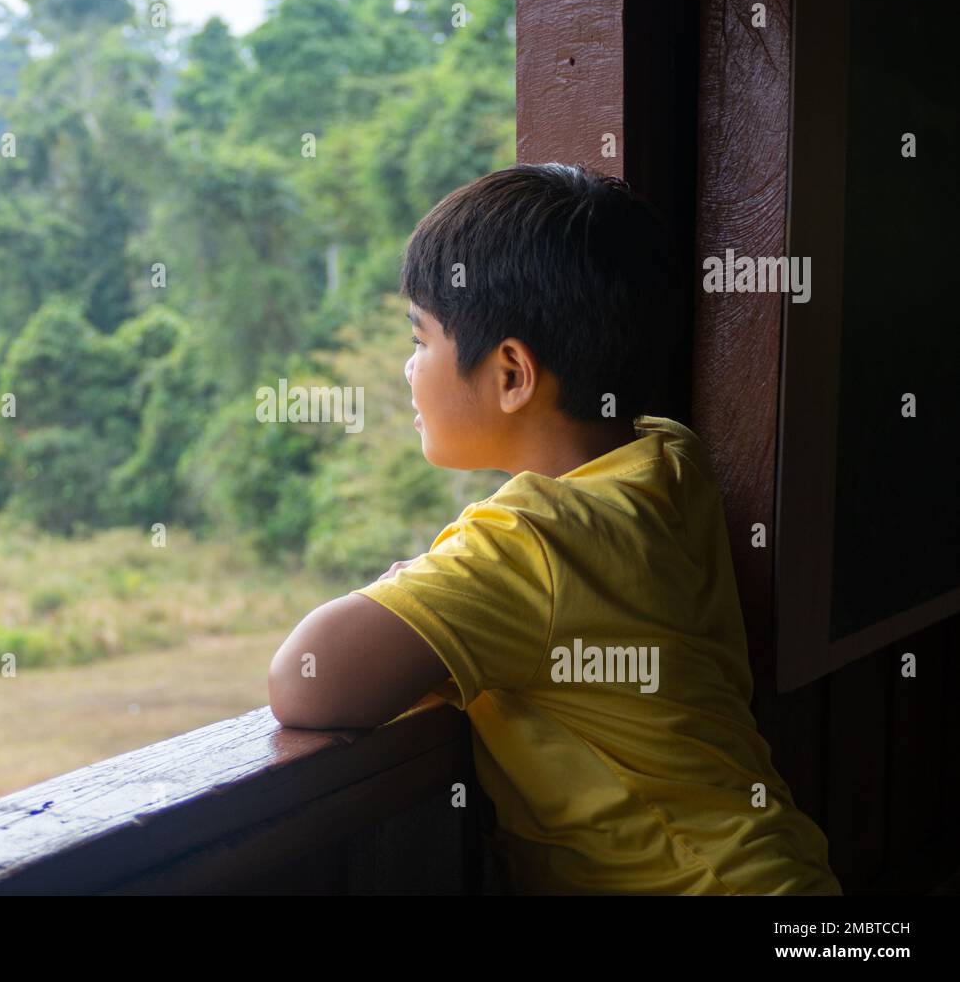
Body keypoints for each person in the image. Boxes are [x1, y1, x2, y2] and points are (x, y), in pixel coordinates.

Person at [267, 163, 842, 895]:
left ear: (511, 374)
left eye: (420, 339)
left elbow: (305, 678)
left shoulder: (527, 542)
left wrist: (414, 582)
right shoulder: (668, 458)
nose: (407, 368)